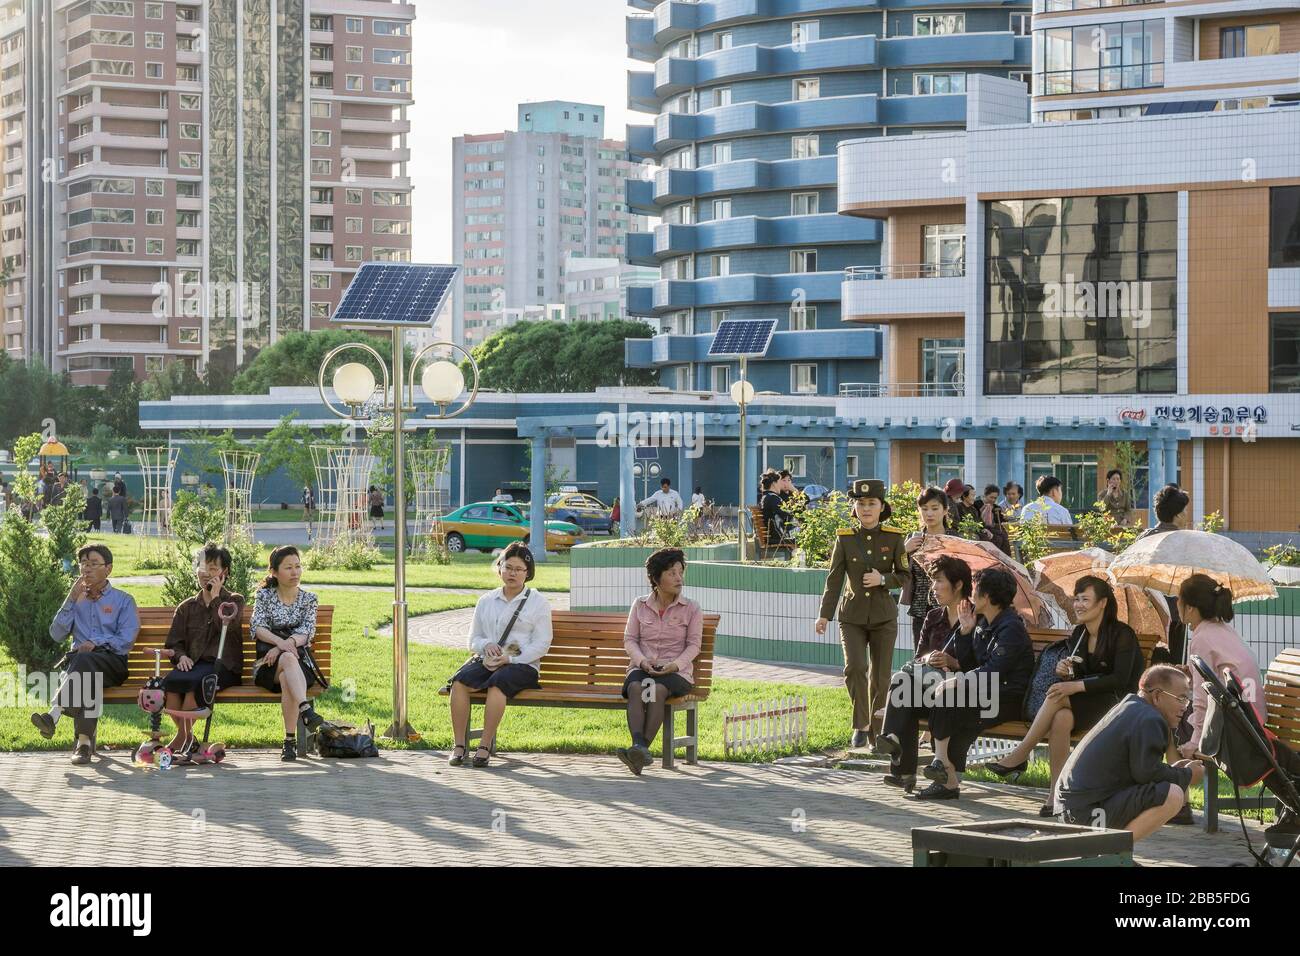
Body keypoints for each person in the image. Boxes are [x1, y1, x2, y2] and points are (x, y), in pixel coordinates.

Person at [986, 575, 1144, 815]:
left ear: (1102, 603)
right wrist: (1067, 671)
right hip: (1088, 704)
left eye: (1085, 599)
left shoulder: (1122, 634)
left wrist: (1075, 686)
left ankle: (1021, 752)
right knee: (1061, 718)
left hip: (1119, 705)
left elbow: (1120, 681)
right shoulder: (1080, 633)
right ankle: (1056, 796)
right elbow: (1079, 673)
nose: (1078, 604)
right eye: (1076, 599)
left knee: (1059, 694)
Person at [914, 566, 1036, 800]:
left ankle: (943, 768)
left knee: (950, 701)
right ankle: (946, 777)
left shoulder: (1011, 628)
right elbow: (971, 664)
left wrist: (959, 681)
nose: (970, 595)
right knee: (947, 705)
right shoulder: (983, 623)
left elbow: (995, 670)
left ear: (987, 597)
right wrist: (966, 632)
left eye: (975, 590)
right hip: (987, 692)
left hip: (1008, 698)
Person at [1055, 664, 1205, 841]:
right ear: (1157, 696)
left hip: (1073, 809)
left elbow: (1141, 770)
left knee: (1167, 789)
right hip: (1086, 814)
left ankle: (1114, 855)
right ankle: (1114, 854)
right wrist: (1187, 775)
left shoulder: (1131, 707)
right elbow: (1146, 773)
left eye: (1187, 700)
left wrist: (1176, 771)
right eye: (1180, 699)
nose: (1185, 707)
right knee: (1172, 795)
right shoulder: (1150, 719)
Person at [815, 478, 909, 748]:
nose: (866, 508)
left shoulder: (894, 537)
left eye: (871, 503)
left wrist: (883, 580)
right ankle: (861, 724)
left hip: (883, 617)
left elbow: (905, 576)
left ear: (882, 507)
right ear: (854, 508)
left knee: (880, 677)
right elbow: (834, 579)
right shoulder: (844, 539)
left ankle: (878, 731)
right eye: (860, 503)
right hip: (852, 616)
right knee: (855, 668)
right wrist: (824, 614)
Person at [30, 545, 140, 764]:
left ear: (108, 569)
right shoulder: (76, 600)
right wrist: (71, 599)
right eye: (83, 564)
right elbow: (57, 634)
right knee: (87, 673)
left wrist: (96, 642)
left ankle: (55, 714)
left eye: (93, 564)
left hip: (113, 664)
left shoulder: (123, 600)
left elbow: (126, 640)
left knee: (84, 662)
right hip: (82, 667)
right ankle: (83, 744)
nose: (86, 569)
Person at [447, 542, 553, 768]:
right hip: (491, 661)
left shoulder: (538, 603)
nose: (512, 573)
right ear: (500, 568)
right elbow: (472, 639)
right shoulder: (486, 601)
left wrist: (511, 659)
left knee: (498, 684)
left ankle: (484, 746)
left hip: (522, 665)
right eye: (508, 567)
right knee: (459, 682)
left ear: (528, 573)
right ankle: (459, 745)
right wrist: (486, 645)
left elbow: (542, 643)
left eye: (518, 569)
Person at [876, 555, 973, 790]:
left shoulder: (975, 617)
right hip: (929, 688)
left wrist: (955, 660)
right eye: (933, 582)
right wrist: (929, 658)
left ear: (958, 584)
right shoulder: (933, 616)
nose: (934, 588)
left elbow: (980, 664)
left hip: (960, 694)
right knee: (901, 683)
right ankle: (896, 748)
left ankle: (902, 762)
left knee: (906, 697)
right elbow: (918, 658)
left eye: (939, 581)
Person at [616, 547, 703, 775]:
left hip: (677, 673)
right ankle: (639, 748)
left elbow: (694, 645)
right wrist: (643, 662)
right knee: (636, 686)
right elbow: (630, 640)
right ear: (656, 578)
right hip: (644, 667)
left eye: (680, 572)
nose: (678, 578)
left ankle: (638, 749)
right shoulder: (640, 604)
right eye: (671, 573)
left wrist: (674, 665)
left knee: (655, 689)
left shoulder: (691, 608)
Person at [160, 544, 245, 762]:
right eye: (202, 566)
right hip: (193, 666)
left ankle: (181, 741)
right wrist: (181, 656)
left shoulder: (234, 601)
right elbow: (174, 642)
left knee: (192, 688)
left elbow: (228, 626)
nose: (206, 572)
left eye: (213, 568)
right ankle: (188, 739)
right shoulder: (187, 607)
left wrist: (216, 598)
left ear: (224, 572)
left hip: (222, 667)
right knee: (170, 684)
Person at [249, 545, 332, 761]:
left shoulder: (309, 599)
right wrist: (278, 643)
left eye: (298, 566)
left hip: (298, 667)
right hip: (267, 667)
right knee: (286, 660)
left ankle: (289, 742)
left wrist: (281, 647)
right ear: (274, 572)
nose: (295, 572)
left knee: (288, 672)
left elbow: (307, 632)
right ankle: (306, 710)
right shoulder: (264, 596)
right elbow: (257, 626)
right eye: (288, 567)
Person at [1139, 484, 1190, 664]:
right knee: (1174, 667)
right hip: (1175, 613)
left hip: (1146, 613)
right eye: (1185, 511)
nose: (1186, 516)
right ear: (1177, 516)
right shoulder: (1183, 541)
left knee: (1147, 663)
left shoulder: (1144, 538)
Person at [901, 487, 949, 649]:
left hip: (948, 609)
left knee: (944, 658)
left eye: (935, 508)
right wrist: (903, 551)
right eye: (924, 509)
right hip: (920, 608)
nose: (929, 514)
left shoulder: (954, 540)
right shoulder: (913, 539)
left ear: (945, 510)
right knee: (920, 659)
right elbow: (897, 572)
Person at [760, 472, 795, 551]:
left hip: (772, 535)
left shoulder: (766, 497)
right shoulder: (773, 498)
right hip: (776, 536)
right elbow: (787, 516)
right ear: (774, 484)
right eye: (779, 482)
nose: (780, 485)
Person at [980, 483, 1012, 555]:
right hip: (984, 528)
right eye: (991, 497)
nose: (993, 500)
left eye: (995, 498)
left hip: (995, 530)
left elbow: (1000, 520)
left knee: (1003, 536)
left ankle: (1006, 558)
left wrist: (1006, 517)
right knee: (999, 538)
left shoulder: (996, 507)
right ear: (985, 496)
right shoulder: (978, 504)